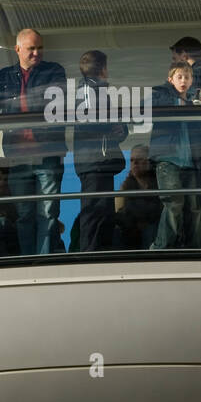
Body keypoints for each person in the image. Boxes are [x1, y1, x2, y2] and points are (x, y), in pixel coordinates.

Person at [0, 28, 68, 255]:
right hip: (17, 155)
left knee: (48, 212)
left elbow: (55, 101)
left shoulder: (54, 71)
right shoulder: (5, 76)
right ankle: (29, 260)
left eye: (40, 48)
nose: (37, 53)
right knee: (24, 213)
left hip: (47, 153)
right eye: (31, 49)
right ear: (17, 49)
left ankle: (43, 261)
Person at [70, 50, 128, 253]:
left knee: (103, 211)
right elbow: (85, 119)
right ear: (102, 68)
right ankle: (92, 255)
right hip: (94, 162)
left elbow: (113, 125)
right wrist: (111, 127)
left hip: (101, 162)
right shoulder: (86, 89)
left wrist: (119, 129)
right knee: (94, 211)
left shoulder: (100, 91)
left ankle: (102, 251)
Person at [150, 61, 201, 250]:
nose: (183, 80)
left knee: (194, 208)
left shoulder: (194, 100)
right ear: (170, 79)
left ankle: (193, 248)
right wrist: (177, 99)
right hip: (168, 160)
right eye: (179, 77)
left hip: (190, 162)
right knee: (173, 204)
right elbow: (148, 105)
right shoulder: (160, 93)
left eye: (187, 77)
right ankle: (161, 247)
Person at [114, 145, 161, 249]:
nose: (134, 163)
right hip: (130, 235)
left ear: (149, 162)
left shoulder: (160, 185)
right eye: (131, 160)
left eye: (139, 159)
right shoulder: (124, 189)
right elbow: (119, 215)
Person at [170, 35, 201, 103]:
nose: (174, 63)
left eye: (175, 59)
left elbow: (194, 101)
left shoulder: (196, 73)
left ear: (184, 56)